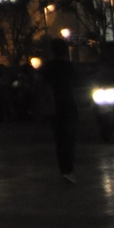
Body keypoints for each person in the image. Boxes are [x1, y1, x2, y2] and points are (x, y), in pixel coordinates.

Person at [39, 39, 79, 182]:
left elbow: (43, 85)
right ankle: (68, 168)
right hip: (68, 102)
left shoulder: (47, 67)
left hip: (55, 104)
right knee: (70, 137)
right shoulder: (69, 66)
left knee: (59, 138)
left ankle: (64, 169)